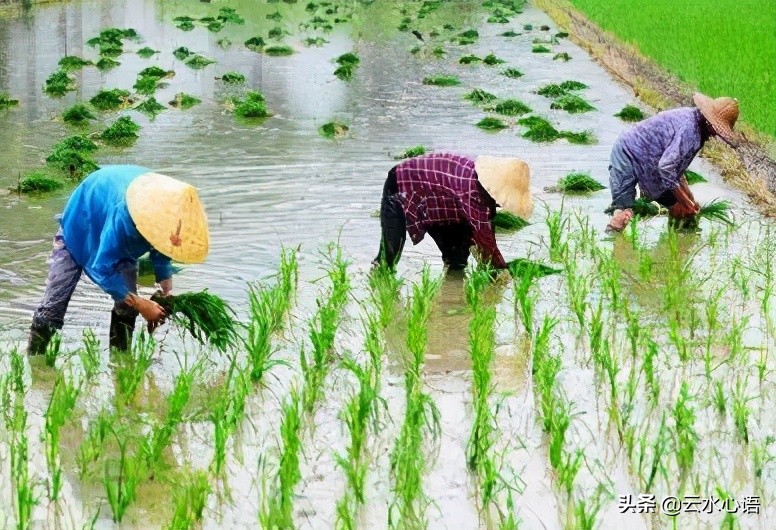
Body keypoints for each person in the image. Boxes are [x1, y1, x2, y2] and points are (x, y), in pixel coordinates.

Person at [27, 165, 210, 355]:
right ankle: (36, 363)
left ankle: (120, 362)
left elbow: (162, 246)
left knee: (126, 306)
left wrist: (165, 283)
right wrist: (142, 304)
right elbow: (103, 269)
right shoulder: (124, 218)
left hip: (113, 218)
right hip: (80, 221)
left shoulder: (169, 214)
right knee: (54, 305)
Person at [373, 153, 533, 270]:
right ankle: (376, 281)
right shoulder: (473, 190)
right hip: (401, 184)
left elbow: (485, 229)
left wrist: (494, 264)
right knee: (389, 255)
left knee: (458, 259)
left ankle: (451, 292)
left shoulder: (484, 189)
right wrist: (501, 270)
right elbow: (484, 237)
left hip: (439, 203)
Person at [606, 93, 739, 232]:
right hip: (627, 153)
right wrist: (685, 202)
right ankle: (612, 237)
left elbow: (676, 171)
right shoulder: (689, 130)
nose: (714, 134)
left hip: (650, 162)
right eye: (715, 129)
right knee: (623, 213)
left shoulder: (696, 126)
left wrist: (690, 200)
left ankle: (675, 240)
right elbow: (666, 168)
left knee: (681, 210)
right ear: (708, 121)